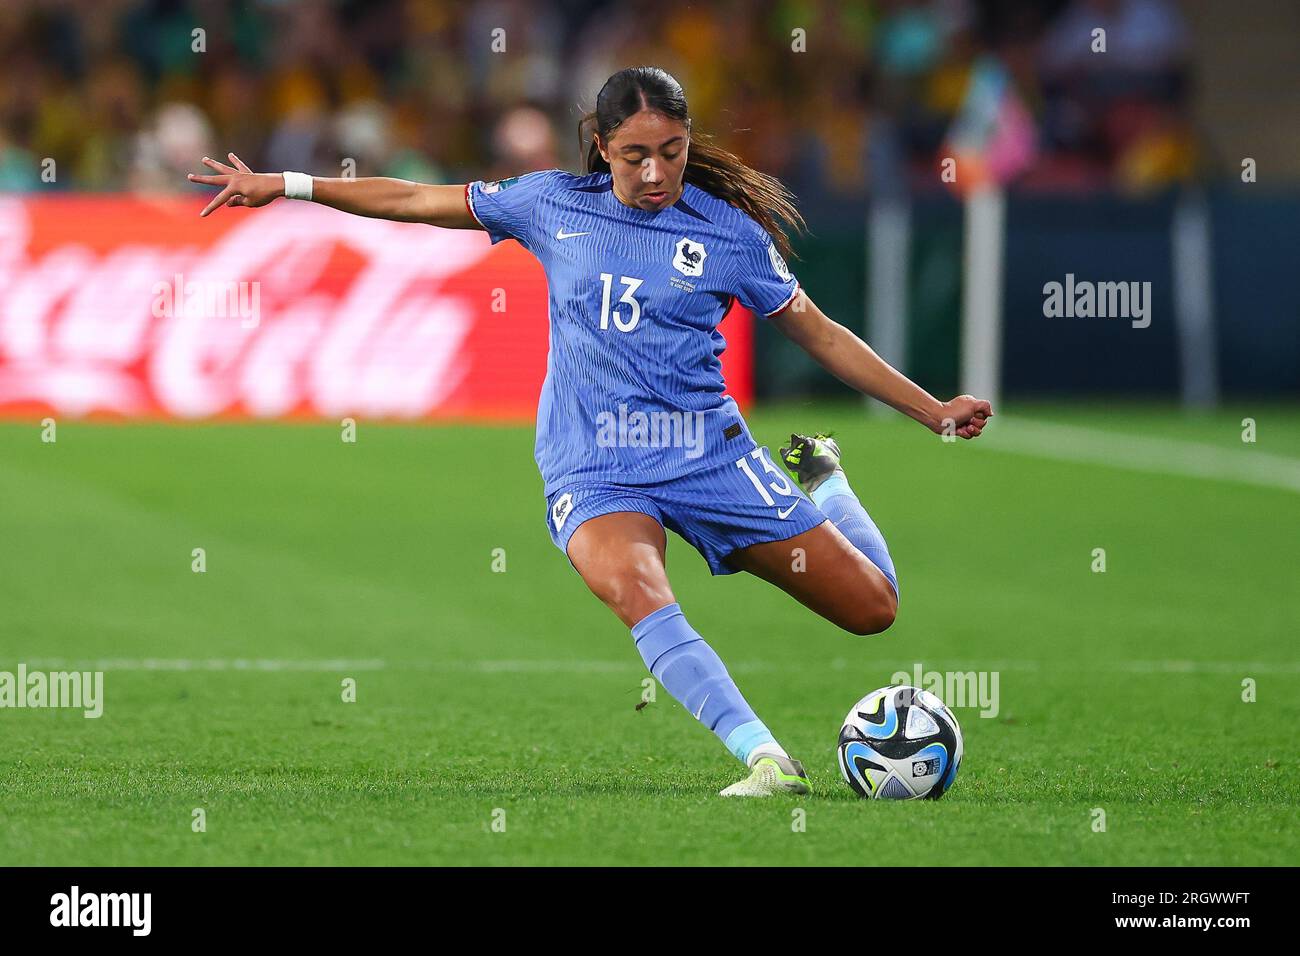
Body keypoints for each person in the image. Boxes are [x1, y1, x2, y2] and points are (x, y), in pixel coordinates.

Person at [188, 66, 992, 797]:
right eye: (635, 154)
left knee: (873, 611)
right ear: (601, 147)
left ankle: (827, 482)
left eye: (672, 152)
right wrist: (288, 184)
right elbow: (410, 200)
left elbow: (815, 330)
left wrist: (931, 409)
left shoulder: (730, 235)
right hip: (594, 466)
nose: (654, 173)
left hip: (707, 456)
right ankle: (765, 759)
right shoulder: (548, 204)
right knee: (637, 590)